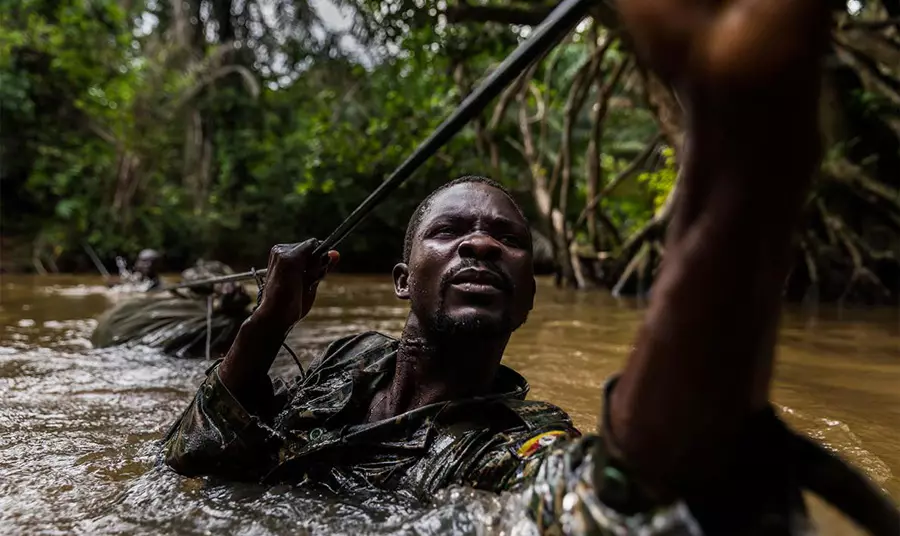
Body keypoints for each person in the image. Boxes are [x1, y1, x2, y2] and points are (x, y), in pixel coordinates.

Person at [162, 0, 899, 533]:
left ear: (527, 302)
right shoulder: (351, 359)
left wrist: (744, 154)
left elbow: (618, 505)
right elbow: (194, 456)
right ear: (399, 279)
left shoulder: (523, 444)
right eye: (450, 232)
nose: (480, 244)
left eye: (505, 240)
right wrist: (266, 323)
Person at [92, 260, 253, 359]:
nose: (146, 266)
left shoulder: (160, 285)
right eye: (143, 262)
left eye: (150, 263)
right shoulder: (145, 288)